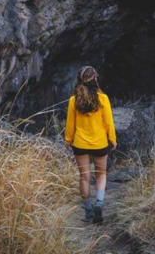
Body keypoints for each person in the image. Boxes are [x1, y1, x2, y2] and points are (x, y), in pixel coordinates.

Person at [64, 66, 117, 224]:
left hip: (80, 143)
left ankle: (88, 211)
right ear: (95, 79)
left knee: (84, 177)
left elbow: (70, 124)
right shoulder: (103, 99)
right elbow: (109, 123)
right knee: (101, 174)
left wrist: (68, 141)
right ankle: (99, 203)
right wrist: (112, 140)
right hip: (100, 143)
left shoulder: (74, 100)